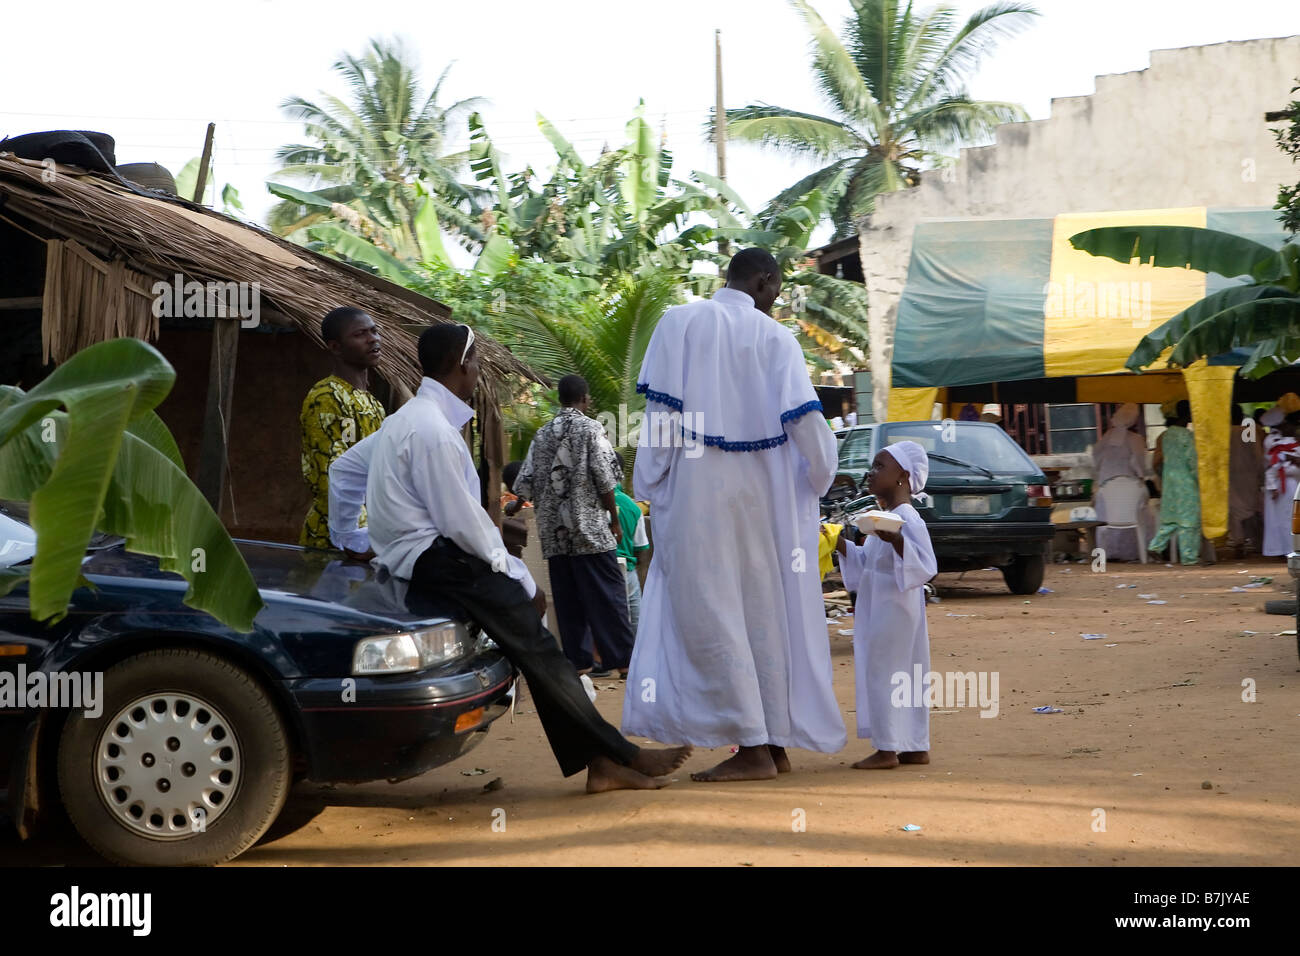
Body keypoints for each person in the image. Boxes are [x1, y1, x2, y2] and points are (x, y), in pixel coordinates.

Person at [327, 324, 690, 792]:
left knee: (535, 651)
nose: (479, 372)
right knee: (538, 646)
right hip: (440, 558)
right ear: (462, 365)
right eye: (477, 362)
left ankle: (605, 764)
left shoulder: (406, 421)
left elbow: (343, 471)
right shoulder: (433, 431)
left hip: (420, 558)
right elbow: (463, 523)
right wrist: (518, 575)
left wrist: (351, 537)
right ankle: (620, 757)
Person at [622, 246, 845, 782]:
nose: (778, 298)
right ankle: (771, 739)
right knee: (765, 616)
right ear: (765, 281)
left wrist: (649, 482)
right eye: (779, 287)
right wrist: (819, 478)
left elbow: (660, 419)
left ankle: (754, 747)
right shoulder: (777, 339)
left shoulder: (679, 323)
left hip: (699, 500)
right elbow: (810, 428)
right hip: (765, 505)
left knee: (711, 614)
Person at [509, 375, 635, 678]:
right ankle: (624, 662)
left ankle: (578, 663)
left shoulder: (542, 434)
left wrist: (513, 506)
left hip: (555, 533)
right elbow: (605, 478)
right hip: (589, 530)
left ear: (560, 399)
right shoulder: (590, 428)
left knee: (568, 600)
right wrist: (614, 519)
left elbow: (525, 480)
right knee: (608, 595)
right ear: (585, 399)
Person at [836, 441, 937, 769]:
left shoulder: (906, 518)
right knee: (904, 675)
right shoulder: (886, 519)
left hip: (894, 611)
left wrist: (896, 540)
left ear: (903, 476)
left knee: (884, 672)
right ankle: (914, 746)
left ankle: (887, 749)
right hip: (884, 608)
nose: (870, 473)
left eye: (880, 467)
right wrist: (838, 542)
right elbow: (867, 562)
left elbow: (925, 565)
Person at [300, 307, 386, 550]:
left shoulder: (372, 403)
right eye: (360, 334)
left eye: (374, 331)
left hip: (369, 534)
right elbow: (333, 477)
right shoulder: (326, 397)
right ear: (335, 347)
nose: (373, 339)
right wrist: (358, 539)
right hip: (337, 537)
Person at [1092, 403, 1153, 562]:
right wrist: (1141, 476)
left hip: (1106, 489)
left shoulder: (1106, 437)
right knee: (1145, 511)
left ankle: (1103, 555)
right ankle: (1142, 551)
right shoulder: (1136, 439)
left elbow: (1096, 459)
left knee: (1103, 516)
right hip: (1131, 490)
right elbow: (1139, 465)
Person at [1147, 400, 1201, 565]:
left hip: (1169, 480)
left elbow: (1158, 462)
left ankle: (1156, 545)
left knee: (1171, 519)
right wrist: (1200, 479)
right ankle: (1189, 557)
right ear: (1186, 415)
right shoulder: (1187, 436)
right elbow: (1192, 461)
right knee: (1189, 521)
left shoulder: (1166, 435)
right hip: (1186, 481)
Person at [611, 452, 650, 633]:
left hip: (597, 569)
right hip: (626, 572)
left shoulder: (587, 504)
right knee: (636, 624)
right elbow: (641, 549)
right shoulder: (633, 507)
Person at [1262, 409, 1300, 557]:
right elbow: (1275, 465)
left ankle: (1286, 549)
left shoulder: (1286, 442)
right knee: (1285, 519)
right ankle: (1288, 549)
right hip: (1283, 484)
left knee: (1283, 518)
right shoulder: (1275, 442)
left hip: (1287, 483)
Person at [1227, 404, 1263, 556]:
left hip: (1230, 476)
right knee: (1251, 509)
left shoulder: (1223, 433)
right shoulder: (1248, 431)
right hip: (1249, 475)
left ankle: (1238, 542)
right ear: (1242, 417)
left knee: (1234, 510)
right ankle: (1258, 542)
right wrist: (1261, 475)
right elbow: (1258, 456)